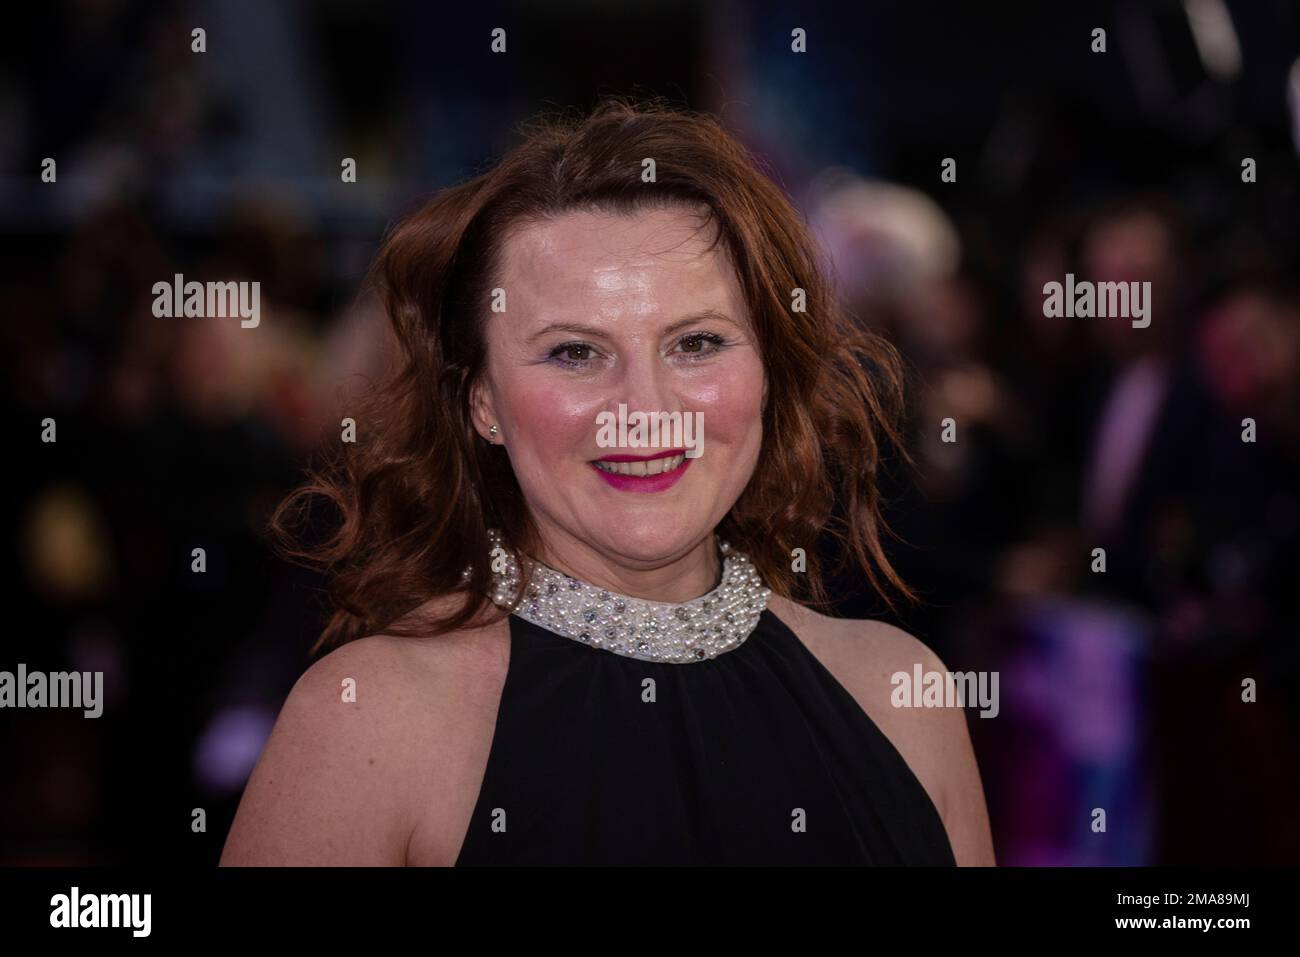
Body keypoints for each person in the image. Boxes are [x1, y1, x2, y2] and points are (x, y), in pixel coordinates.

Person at [219, 98, 995, 866]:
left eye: (695, 342)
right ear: (481, 401)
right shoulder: (368, 724)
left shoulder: (903, 695)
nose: (645, 408)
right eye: (575, 353)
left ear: (768, 374)